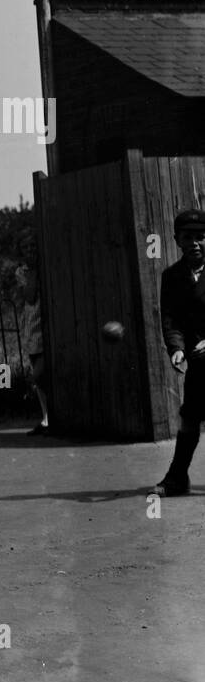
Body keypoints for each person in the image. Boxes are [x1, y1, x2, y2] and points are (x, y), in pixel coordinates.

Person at [154, 209, 205, 497]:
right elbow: (170, 319)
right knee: (189, 419)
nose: (195, 242)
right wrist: (176, 349)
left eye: (201, 236)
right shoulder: (172, 276)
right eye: (188, 237)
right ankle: (177, 479)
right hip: (199, 364)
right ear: (177, 240)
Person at [16, 262, 50, 434]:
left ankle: (50, 418)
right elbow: (29, 297)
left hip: (46, 329)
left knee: (39, 375)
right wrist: (31, 275)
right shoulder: (22, 271)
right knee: (39, 380)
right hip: (32, 328)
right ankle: (46, 418)